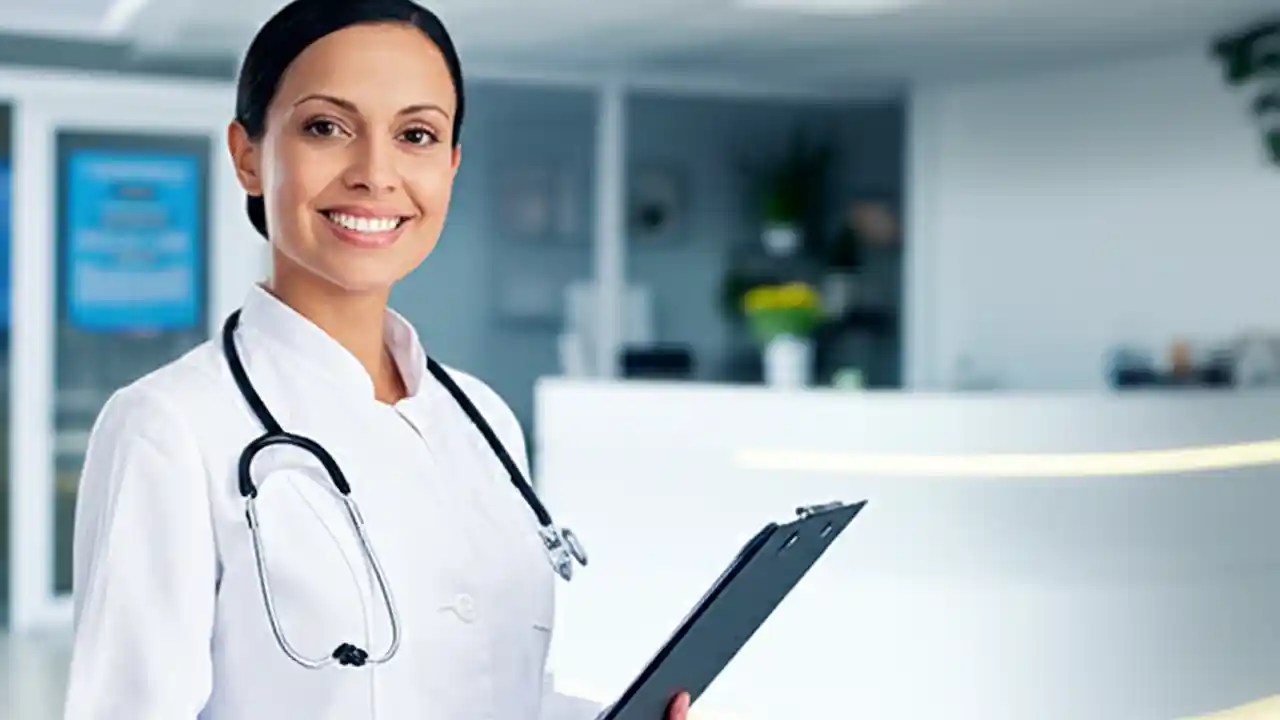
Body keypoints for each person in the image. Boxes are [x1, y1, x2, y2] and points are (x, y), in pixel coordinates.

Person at [62, 1, 690, 718]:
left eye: (416, 134)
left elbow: (487, 688)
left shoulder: (482, 418)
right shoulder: (168, 427)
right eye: (326, 127)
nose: (375, 173)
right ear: (247, 156)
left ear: (451, 166)